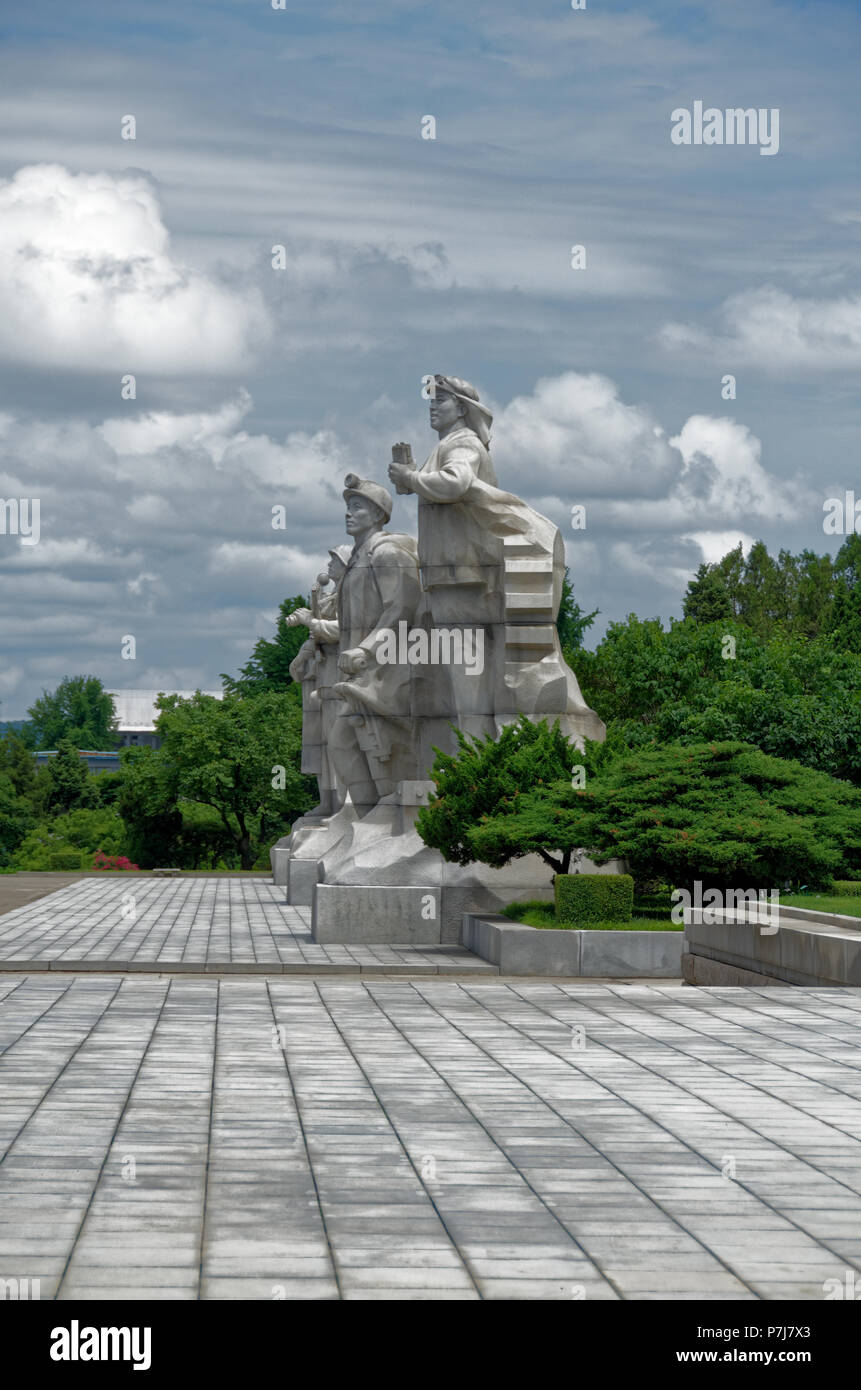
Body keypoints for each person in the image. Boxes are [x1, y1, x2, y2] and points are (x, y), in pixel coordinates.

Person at [327, 475, 422, 816]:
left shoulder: (387, 553)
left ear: (379, 514)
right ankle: (371, 816)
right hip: (361, 672)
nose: (349, 514)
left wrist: (367, 650)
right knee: (345, 742)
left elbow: (401, 608)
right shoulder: (357, 558)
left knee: (381, 746)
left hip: (387, 668)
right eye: (348, 507)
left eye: (357, 507)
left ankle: (389, 814)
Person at [286, 546, 351, 817]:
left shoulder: (351, 595)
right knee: (321, 743)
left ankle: (344, 803)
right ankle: (327, 802)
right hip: (322, 676)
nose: (329, 564)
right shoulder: (333, 595)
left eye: (334, 559)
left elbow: (342, 629)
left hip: (341, 675)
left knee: (340, 742)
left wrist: (309, 621)